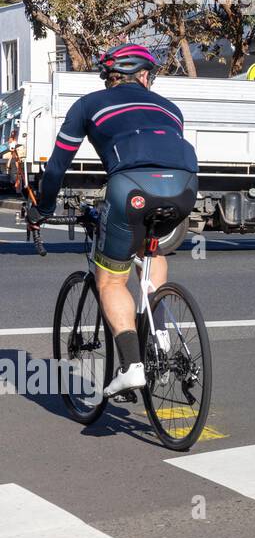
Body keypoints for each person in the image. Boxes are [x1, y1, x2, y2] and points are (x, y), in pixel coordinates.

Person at [26, 44, 199, 397]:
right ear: (145, 76)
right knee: (151, 253)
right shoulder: (171, 108)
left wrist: (42, 209)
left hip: (131, 190)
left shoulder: (88, 105)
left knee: (110, 282)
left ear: (109, 77)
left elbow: (57, 166)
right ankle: (161, 338)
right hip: (184, 189)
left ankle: (133, 366)